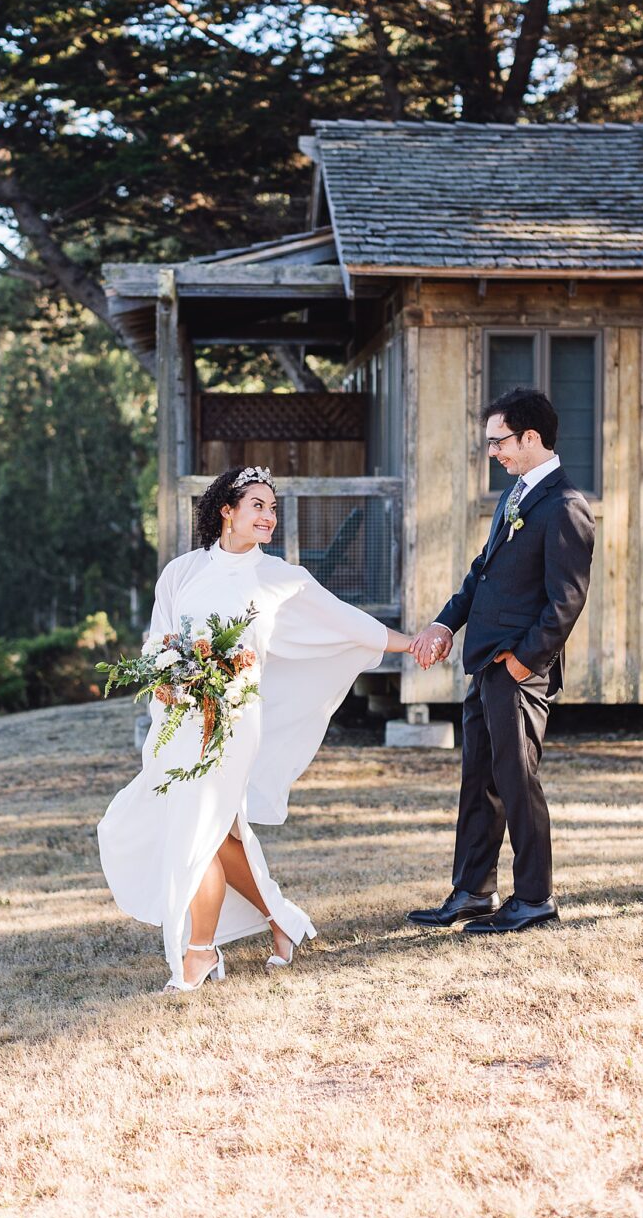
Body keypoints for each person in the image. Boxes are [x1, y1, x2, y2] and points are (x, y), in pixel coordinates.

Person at [98, 467, 418, 991]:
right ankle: (281, 921)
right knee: (218, 832)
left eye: (273, 509)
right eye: (259, 506)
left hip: (232, 721)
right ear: (227, 509)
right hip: (179, 719)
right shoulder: (179, 573)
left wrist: (413, 643)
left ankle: (201, 953)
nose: (269, 517)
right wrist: (167, 680)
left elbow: (345, 622)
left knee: (197, 828)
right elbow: (158, 642)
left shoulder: (281, 578)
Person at [407, 387, 594, 935]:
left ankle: (535, 898)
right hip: (485, 664)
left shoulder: (565, 506)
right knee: (479, 782)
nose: (493, 451)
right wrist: (445, 624)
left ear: (530, 437)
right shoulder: (514, 497)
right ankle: (472, 891)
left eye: (499, 441)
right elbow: (480, 574)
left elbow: (567, 600)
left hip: (517, 672)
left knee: (517, 782)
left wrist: (521, 664)